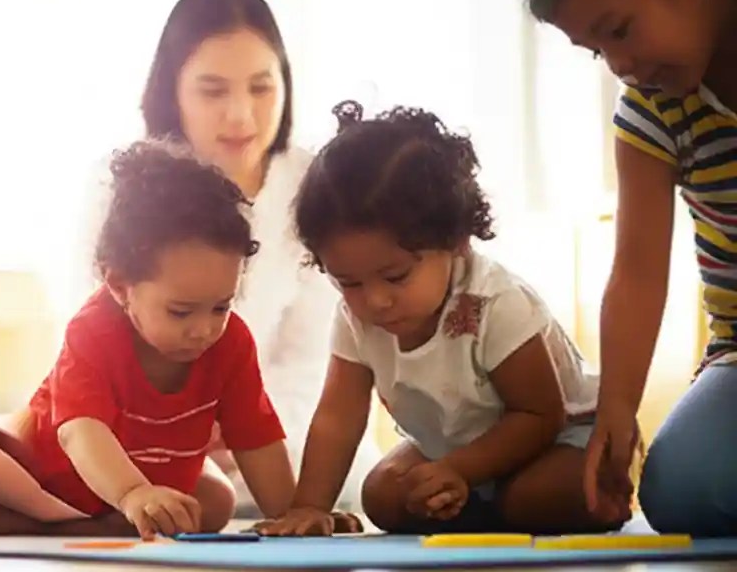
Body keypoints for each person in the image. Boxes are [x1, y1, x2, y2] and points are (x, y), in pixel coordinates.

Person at [72, 0, 378, 514]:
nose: (241, 116)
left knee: (334, 480)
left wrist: (230, 426)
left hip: (274, 435)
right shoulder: (121, 187)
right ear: (173, 91)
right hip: (136, 433)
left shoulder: (315, 188)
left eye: (262, 88)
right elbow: (88, 339)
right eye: (213, 91)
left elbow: (317, 364)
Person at [0, 140, 328, 539]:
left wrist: (291, 512)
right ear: (120, 285)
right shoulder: (93, 330)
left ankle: (76, 526)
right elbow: (80, 431)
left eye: (221, 307)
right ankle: (66, 518)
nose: (204, 329)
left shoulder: (232, 343)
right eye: (181, 311)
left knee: (218, 503)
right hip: (55, 478)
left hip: (152, 485)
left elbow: (256, 438)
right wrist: (131, 491)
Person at [257, 102, 614, 536]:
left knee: (534, 499)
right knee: (383, 498)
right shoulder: (356, 320)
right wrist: (309, 506)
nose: (376, 301)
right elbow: (338, 417)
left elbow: (540, 415)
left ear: (456, 241)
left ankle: (588, 494)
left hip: (555, 443)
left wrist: (458, 469)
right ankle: (473, 505)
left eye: (396, 276)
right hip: (453, 453)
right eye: (348, 282)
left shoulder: (494, 303)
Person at [524, 0, 737, 535]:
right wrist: (618, 406)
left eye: (619, 29)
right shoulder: (654, 111)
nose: (621, 64)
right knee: (679, 487)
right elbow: (639, 271)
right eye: (598, 50)